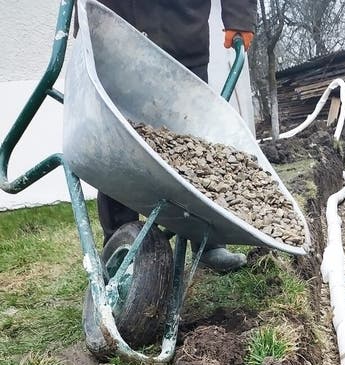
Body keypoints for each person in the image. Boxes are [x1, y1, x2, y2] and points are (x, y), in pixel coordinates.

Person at [78, 0, 256, 272]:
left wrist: (239, 16)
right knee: (118, 141)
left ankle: (205, 239)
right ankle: (120, 245)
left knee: (192, 143)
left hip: (179, 30)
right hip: (113, 27)